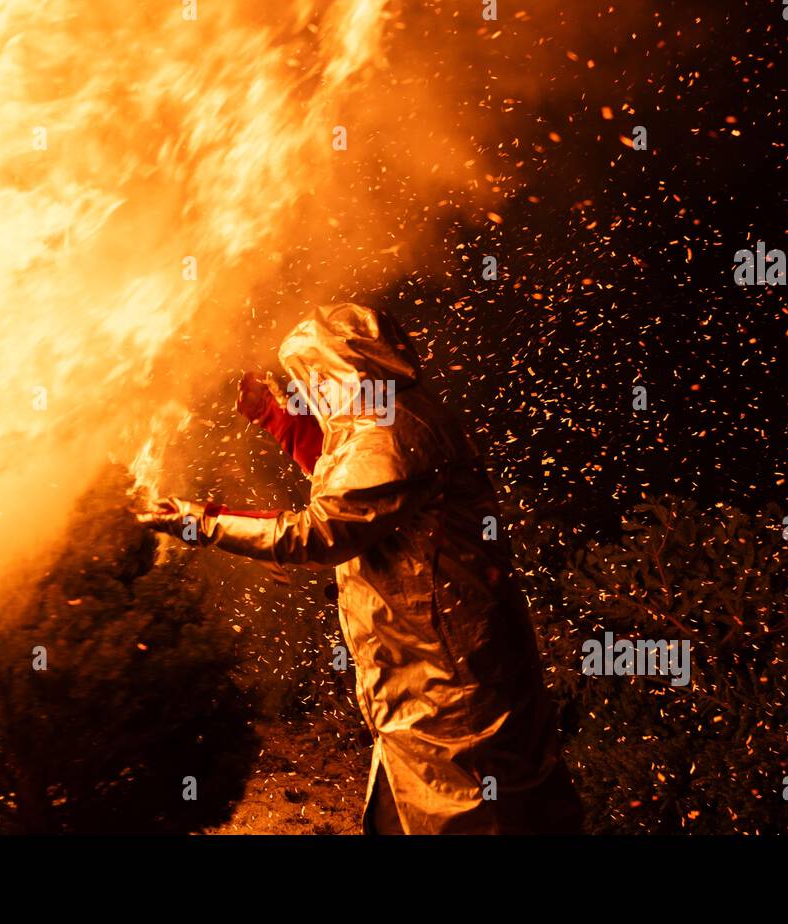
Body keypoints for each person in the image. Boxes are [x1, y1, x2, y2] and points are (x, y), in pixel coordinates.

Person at [138, 303, 582, 834]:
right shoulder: (395, 416)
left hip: (451, 690)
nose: (310, 391)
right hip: (425, 682)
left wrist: (198, 520)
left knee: (479, 817)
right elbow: (351, 484)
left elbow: (317, 534)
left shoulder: (394, 434)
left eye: (314, 378)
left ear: (345, 369)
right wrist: (274, 416)